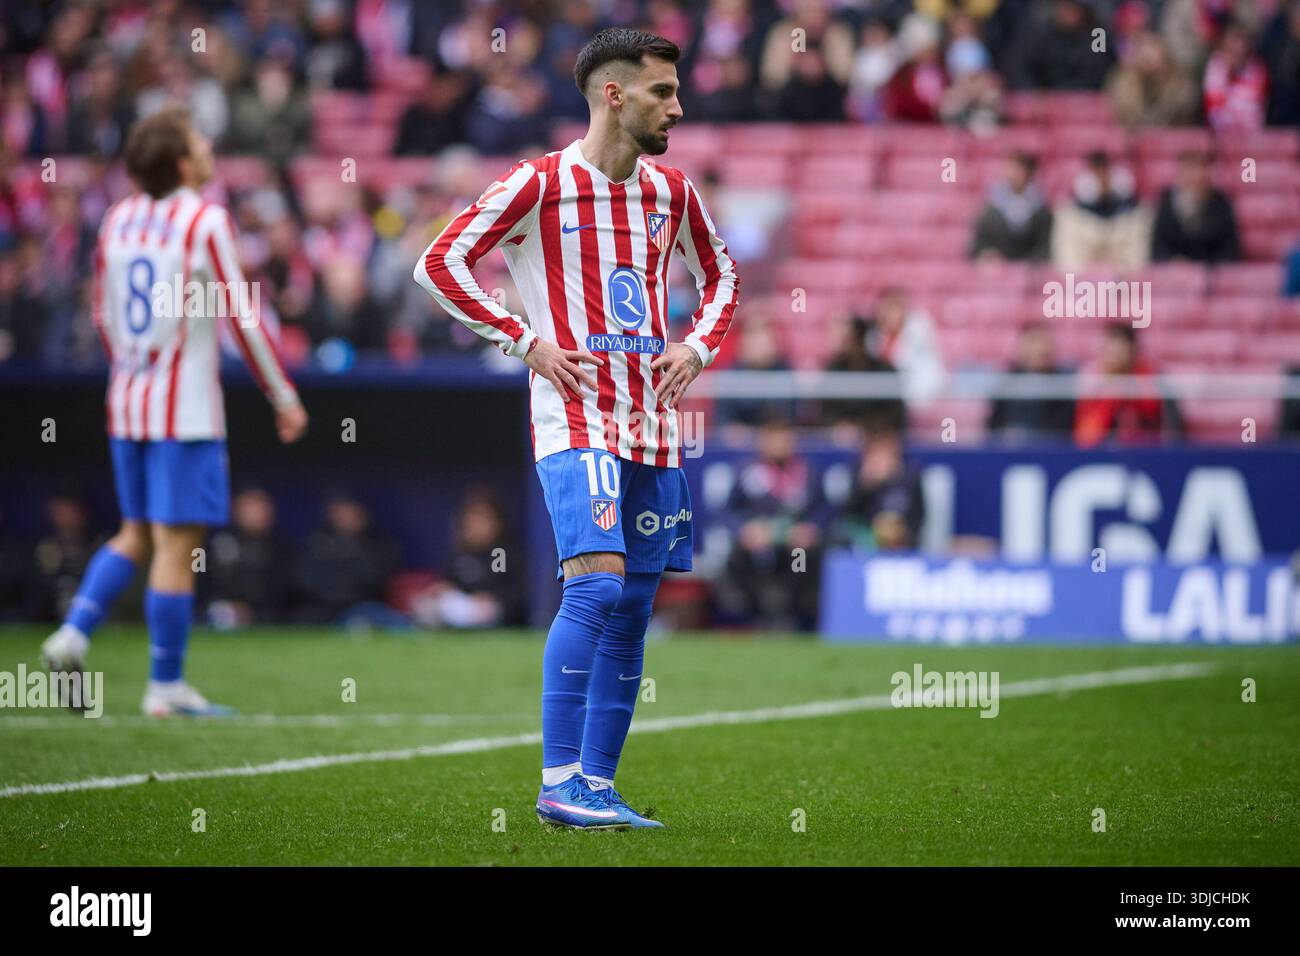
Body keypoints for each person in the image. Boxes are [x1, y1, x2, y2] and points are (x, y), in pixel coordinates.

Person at [413, 28, 738, 830]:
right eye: (662, 91)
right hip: (577, 418)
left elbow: (723, 273)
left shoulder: (674, 193)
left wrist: (696, 345)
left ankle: (595, 786)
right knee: (593, 585)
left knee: (632, 608)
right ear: (613, 94)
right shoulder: (540, 183)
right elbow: (439, 262)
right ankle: (558, 781)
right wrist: (524, 341)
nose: (678, 104)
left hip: (653, 428)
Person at [39, 108, 308, 716]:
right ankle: (165, 685)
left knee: (136, 531)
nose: (209, 142)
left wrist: (130, 367)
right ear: (185, 163)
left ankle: (71, 634)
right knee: (174, 544)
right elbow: (242, 316)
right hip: (183, 410)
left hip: (127, 401)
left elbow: (102, 313)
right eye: (197, 139)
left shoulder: (117, 218)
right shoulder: (203, 219)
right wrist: (283, 395)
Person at [1075, 322, 1182, 446]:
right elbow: (1087, 435)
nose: (1114, 356)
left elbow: (1158, 418)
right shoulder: (1091, 381)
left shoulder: (1151, 380)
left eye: (1119, 351)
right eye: (1109, 350)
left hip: (1145, 449)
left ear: (1133, 350)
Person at [985, 321, 1076, 441]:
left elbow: (1064, 427)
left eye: (1043, 342)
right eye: (1033, 342)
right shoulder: (1007, 383)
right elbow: (994, 425)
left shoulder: (1061, 384)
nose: (1039, 348)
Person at [1151, 150, 1241, 263]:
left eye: (1200, 170)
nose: (1196, 177)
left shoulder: (1221, 204)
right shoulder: (1165, 203)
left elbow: (1230, 252)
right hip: (1174, 275)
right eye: (1190, 170)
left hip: (1211, 274)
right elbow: (1158, 249)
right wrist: (1174, 262)